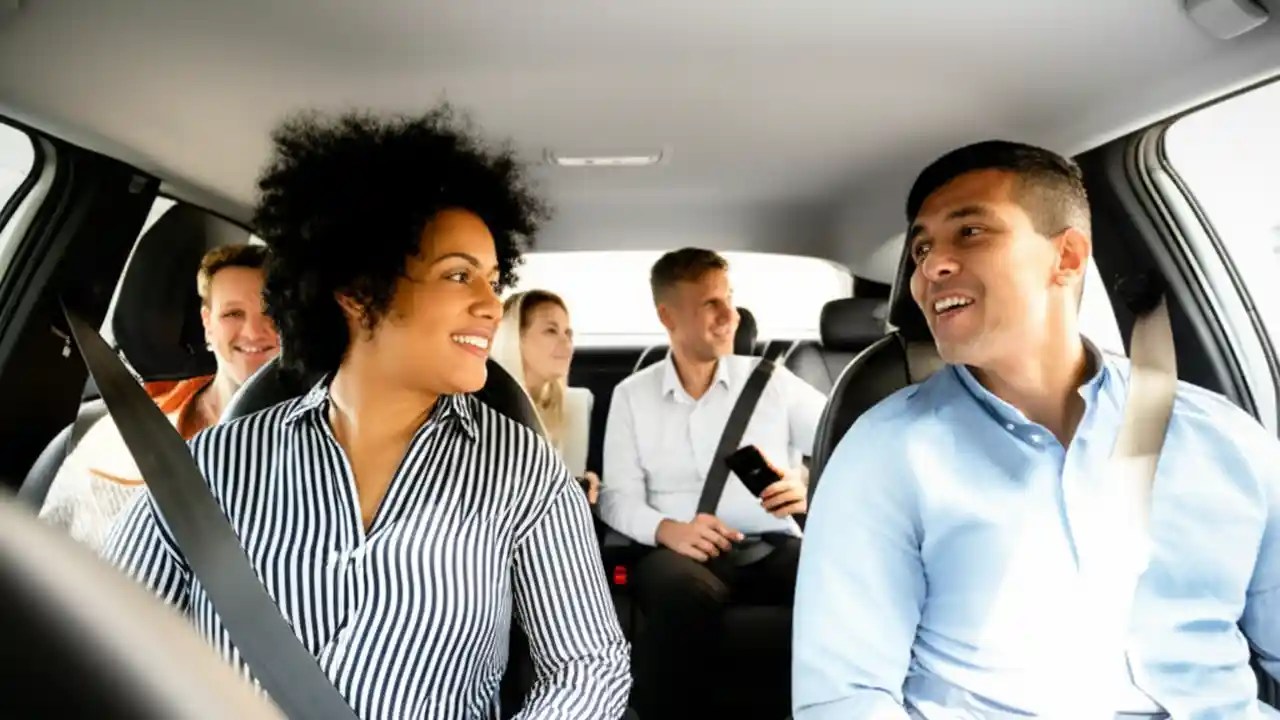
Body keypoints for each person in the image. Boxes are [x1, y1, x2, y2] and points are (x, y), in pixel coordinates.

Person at [102, 107, 631, 720]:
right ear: (358, 292)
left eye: (492, 279)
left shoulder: (521, 471)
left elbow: (588, 667)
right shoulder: (211, 469)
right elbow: (103, 641)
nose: (492, 304)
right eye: (459, 275)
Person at [791, 140, 1280, 719]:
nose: (929, 267)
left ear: (1067, 257)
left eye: (970, 232)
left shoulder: (1224, 438)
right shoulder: (885, 452)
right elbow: (845, 699)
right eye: (921, 248)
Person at [599, 247, 827, 719]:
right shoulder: (632, 395)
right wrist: (668, 530)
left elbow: (846, 446)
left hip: (771, 545)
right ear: (668, 316)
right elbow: (617, 498)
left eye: (730, 299)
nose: (731, 316)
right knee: (685, 594)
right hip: (677, 554)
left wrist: (807, 486)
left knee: (832, 578)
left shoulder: (772, 382)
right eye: (711, 304)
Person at [40, 243, 278, 549]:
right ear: (207, 324)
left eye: (271, 312)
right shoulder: (121, 434)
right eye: (233, 313)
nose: (254, 332)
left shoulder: (322, 436)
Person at [491, 289, 598, 504]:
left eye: (568, 333)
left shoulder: (574, 407)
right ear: (515, 338)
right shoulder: (484, 411)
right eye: (551, 331)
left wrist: (582, 485)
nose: (566, 343)